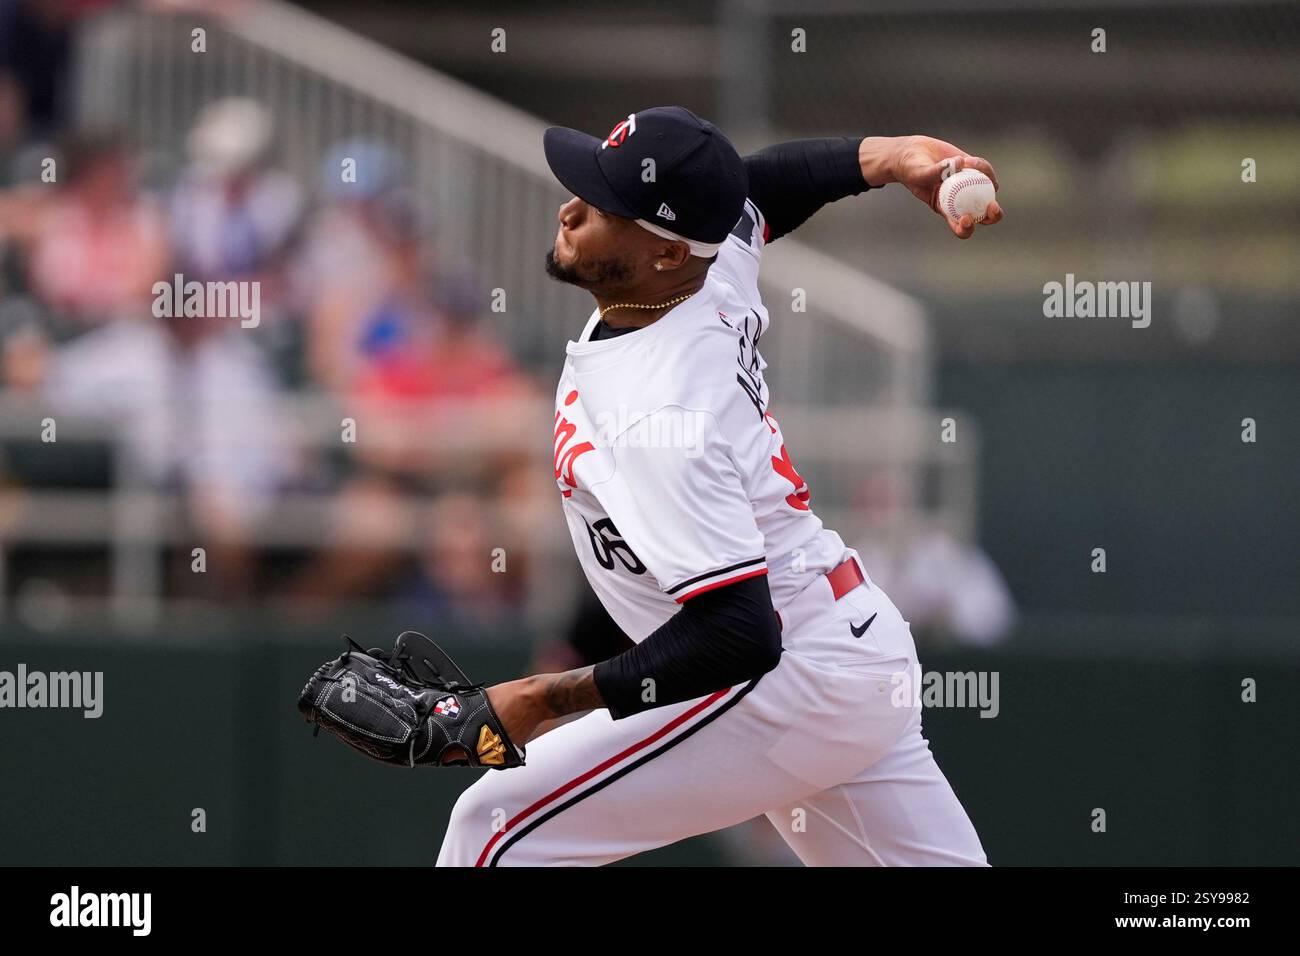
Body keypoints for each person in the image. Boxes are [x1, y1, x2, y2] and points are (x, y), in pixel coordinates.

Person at [436, 107, 1002, 867]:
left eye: (604, 208)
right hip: (845, 648)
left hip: (787, 673)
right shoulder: (701, 269)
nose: (570, 209)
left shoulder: (660, 410)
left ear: (666, 254)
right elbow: (757, 192)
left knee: (495, 825)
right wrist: (890, 156)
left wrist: (541, 701)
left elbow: (737, 635)